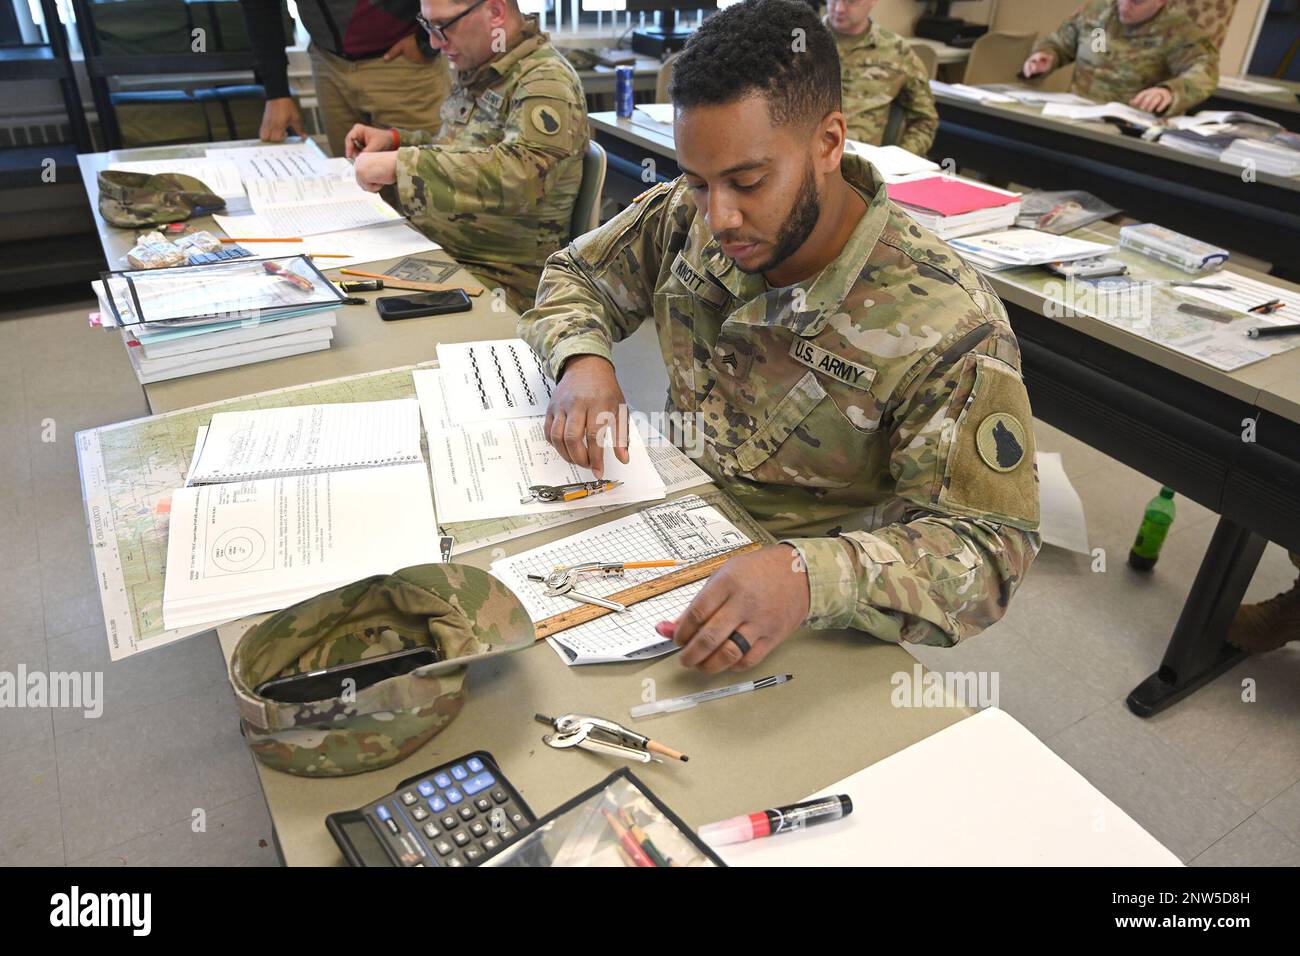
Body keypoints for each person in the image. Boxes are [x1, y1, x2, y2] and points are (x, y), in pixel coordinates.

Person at [518, 0, 1041, 674]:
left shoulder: (951, 323)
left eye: (748, 181)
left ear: (829, 143)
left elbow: (991, 548)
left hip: (810, 619)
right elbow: (575, 274)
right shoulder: (692, 212)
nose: (721, 215)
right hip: (666, 530)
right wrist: (584, 361)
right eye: (699, 182)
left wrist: (807, 577)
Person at [347, 0, 588, 311]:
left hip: (502, 280)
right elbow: (465, 153)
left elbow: (522, 176)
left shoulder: (546, 81)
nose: (434, 41)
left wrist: (401, 165)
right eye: (428, 26)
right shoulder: (484, 67)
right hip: (448, 254)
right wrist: (396, 142)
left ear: (496, 11)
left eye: (444, 26)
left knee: (360, 319)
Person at [238, 0, 452, 157]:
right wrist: (277, 92)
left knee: (421, 179)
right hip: (328, 61)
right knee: (351, 182)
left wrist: (425, 39)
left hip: (401, 60)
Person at [1022, 0, 1219, 116]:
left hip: (1129, 127)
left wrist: (1168, 92)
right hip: (1075, 114)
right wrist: (1046, 55)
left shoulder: (1178, 30)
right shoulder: (1099, 12)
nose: (1125, 6)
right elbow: (1061, 43)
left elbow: (1203, 71)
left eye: (1137, 1)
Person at [825, 0, 938, 153]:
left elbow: (925, 119)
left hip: (859, 163)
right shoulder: (800, 42)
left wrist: (898, 159)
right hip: (803, 158)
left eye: (851, 1)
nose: (839, 8)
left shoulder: (896, 51)